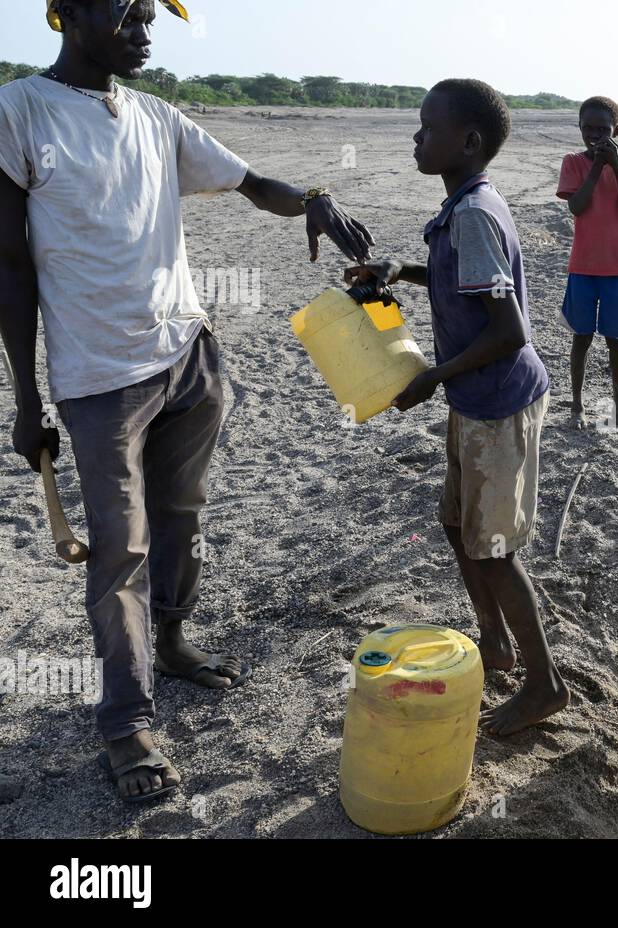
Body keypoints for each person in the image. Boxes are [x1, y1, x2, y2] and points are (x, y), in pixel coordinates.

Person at [0, 0, 374, 803]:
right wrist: (26, 397)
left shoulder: (156, 116)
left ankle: (171, 639)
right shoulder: (20, 110)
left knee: (181, 517)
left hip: (188, 359)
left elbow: (248, 183)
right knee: (118, 549)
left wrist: (308, 197)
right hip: (98, 381)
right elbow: (10, 265)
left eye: (150, 14)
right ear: (64, 13)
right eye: (127, 11)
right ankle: (126, 721)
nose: (144, 26)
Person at [345, 78, 569, 737]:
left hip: (497, 404)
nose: (416, 137)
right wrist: (399, 275)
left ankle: (543, 684)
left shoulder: (472, 213)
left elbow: (509, 330)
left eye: (427, 128)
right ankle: (493, 643)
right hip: (477, 402)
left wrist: (432, 378)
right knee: (455, 523)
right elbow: (464, 284)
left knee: (495, 548)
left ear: (468, 142)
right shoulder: (466, 207)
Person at [555, 96, 618, 431]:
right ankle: (577, 405)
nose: (594, 135)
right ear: (579, 128)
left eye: (602, 129)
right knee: (581, 337)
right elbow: (577, 207)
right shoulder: (573, 162)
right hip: (583, 266)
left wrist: (616, 167)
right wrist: (596, 166)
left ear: (616, 131)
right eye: (588, 128)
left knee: (615, 340)